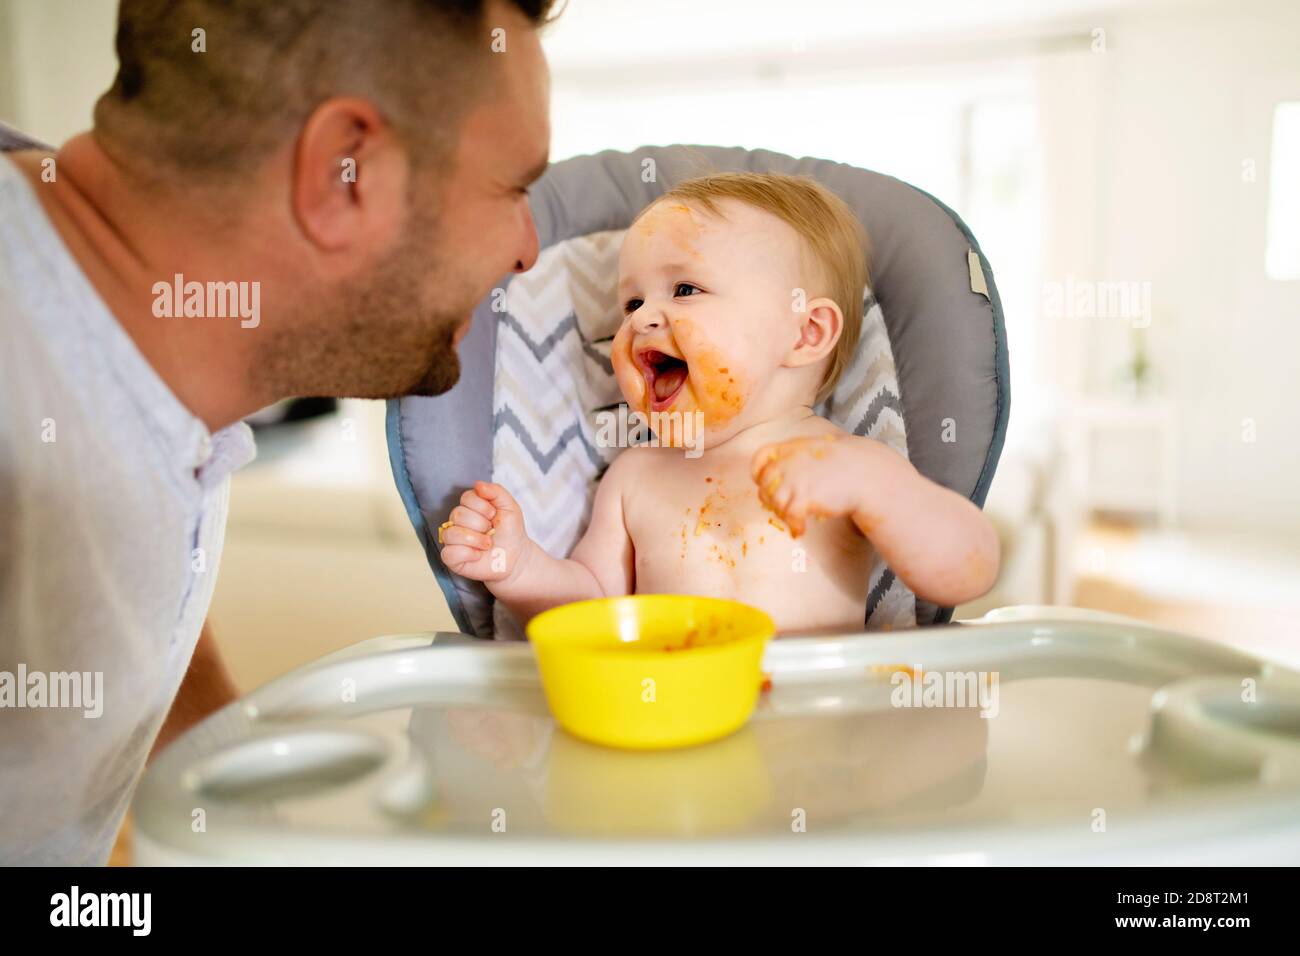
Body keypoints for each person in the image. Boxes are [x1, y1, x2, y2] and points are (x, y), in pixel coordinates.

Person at [0, 0, 557, 865]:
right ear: (345, 172)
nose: (527, 248)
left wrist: (228, 773)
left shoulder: (135, 330)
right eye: (514, 188)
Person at [438, 173, 1000, 633]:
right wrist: (518, 567)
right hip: (674, 727)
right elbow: (598, 613)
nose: (641, 319)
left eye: (685, 290)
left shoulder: (845, 465)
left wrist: (881, 491)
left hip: (815, 743)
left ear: (805, 333)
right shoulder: (635, 477)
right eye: (631, 302)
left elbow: (968, 571)